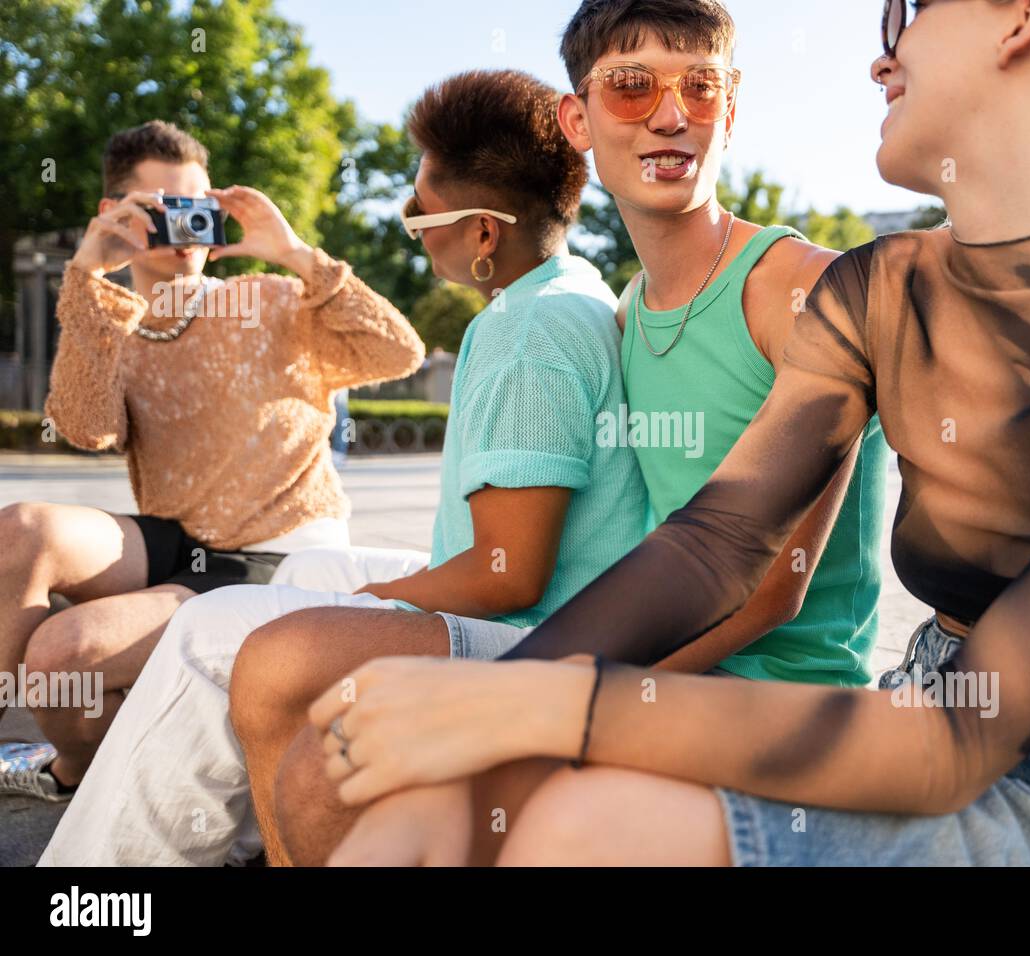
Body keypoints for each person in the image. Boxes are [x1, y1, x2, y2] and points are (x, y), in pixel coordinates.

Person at [314, 0, 1030, 867]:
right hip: (911, 710)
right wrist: (482, 713)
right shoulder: (878, 286)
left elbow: (959, 737)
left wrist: (523, 704)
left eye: (899, 15)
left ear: (1022, 13)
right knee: (446, 798)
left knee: (586, 820)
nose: (880, 57)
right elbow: (715, 545)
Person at [262, 0, 890, 866]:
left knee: (365, 786)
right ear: (577, 118)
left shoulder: (798, 289)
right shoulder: (628, 309)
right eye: (631, 87)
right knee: (323, 760)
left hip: (771, 699)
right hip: (660, 666)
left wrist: (554, 704)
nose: (671, 115)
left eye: (700, 88)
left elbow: (773, 589)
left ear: (732, 110)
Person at [37, 69, 648, 866]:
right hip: (553, 608)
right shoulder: (564, 291)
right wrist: (92, 278)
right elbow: (81, 426)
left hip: (538, 634)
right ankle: (240, 822)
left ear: (484, 233)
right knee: (310, 577)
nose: (410, 219)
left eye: (420, 202)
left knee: (211, 631)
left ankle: (95, 880)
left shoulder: (523, 331)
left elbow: (509, 579)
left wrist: (376, 600)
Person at [0, 120, 425, 801]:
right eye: (163, 212)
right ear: (114, 216)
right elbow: (84, 428)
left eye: (199, 209)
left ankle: (74, 774)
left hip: (281, 556)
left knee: (60, 656)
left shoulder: (272, 297)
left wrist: (294, 252)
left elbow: (397, 351)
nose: (186, 230)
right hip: (175, 543)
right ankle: (74, 764)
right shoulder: (113, 320)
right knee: (20, 527)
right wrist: (86, 277)